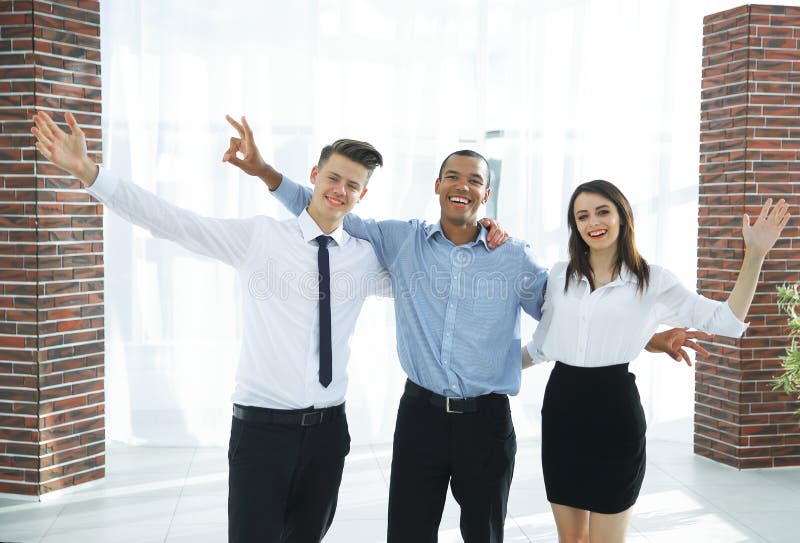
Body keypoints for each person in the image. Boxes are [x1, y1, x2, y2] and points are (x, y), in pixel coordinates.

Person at [222, 119, 705, 542]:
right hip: (420, 417)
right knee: (408, 533)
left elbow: (572, 316)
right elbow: (325, 206)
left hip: (486, 423)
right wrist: (263, 171)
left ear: (485, 194)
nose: (462, 185)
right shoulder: (400, 239)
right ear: (437, 186)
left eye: (475, 180)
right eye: (453, 176)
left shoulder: (512, 255)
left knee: (483, 535)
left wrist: (649, 338)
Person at [30, 111, 392, 543]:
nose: (340, 190)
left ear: (363, 194)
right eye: (334, 177)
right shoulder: (261, 238)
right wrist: (91, 174)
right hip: (263, 431)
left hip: (329, 434)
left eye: (352, 185)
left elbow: (426, 282)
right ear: (314, 175)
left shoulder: (365, 258)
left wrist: (468, 235)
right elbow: (173, 222)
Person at [523, 179, 790, 543]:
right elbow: (546, 344)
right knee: (570, 539)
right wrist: (484, 372)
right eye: (582, 216)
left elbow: (727, 322)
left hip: (614, 413)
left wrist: (755, 254)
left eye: (602, 211)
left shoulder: (652, 281)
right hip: (562, 410)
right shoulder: (559, 275)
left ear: (622, 216)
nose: (592, 222)